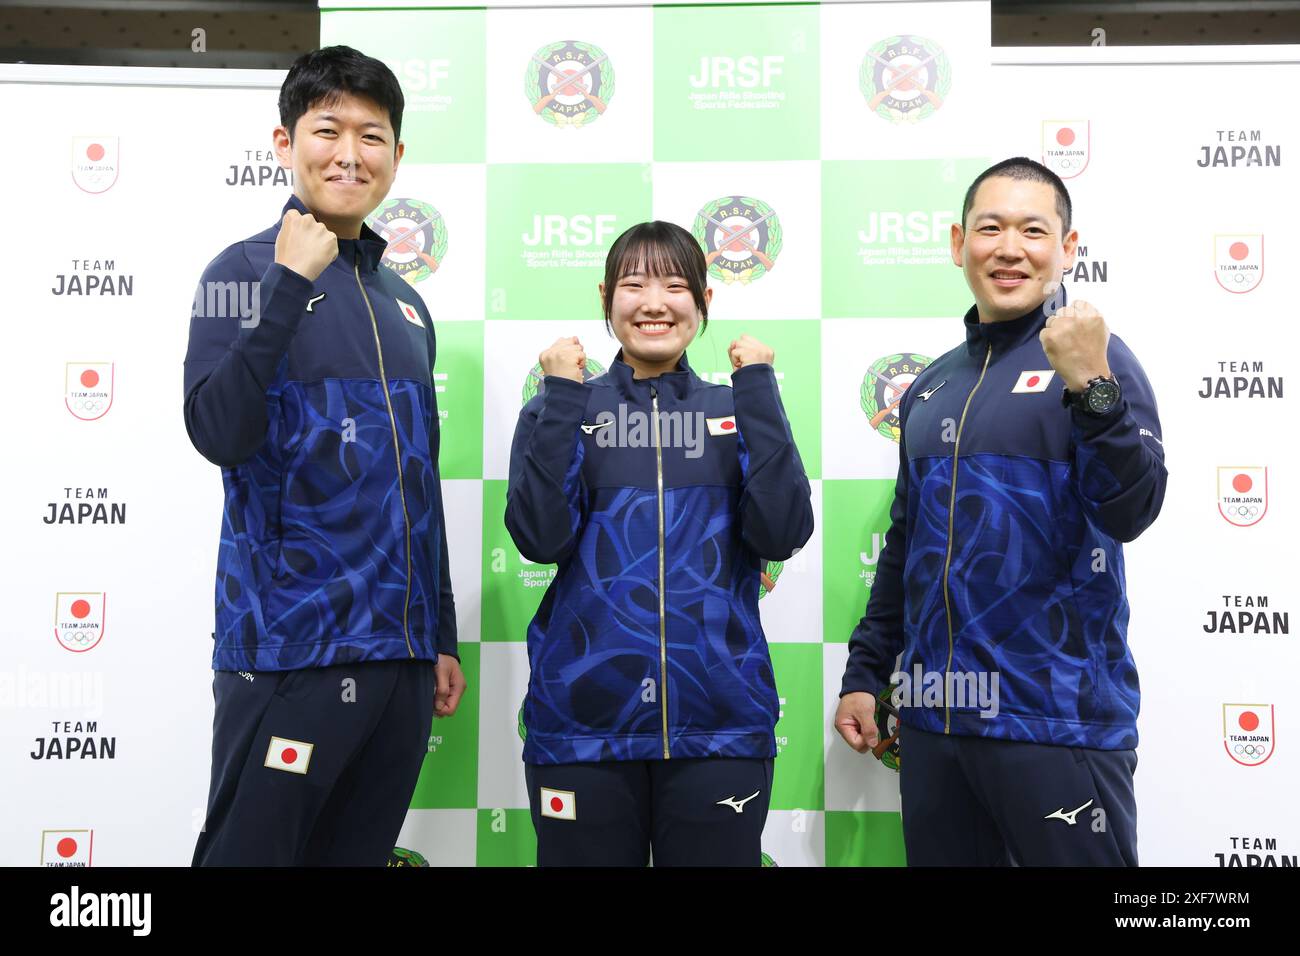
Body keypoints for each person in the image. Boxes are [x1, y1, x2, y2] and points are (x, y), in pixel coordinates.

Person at [834, 157, 1167, 866]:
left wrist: (1094, 386)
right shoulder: (933, 384)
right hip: (934, 729)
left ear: (1067, 249)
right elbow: (906, 547)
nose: (1008, 248)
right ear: (960, 244)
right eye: (990, 228)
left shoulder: (1100, 364)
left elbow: (1133, 508)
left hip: (1056, 725)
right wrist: (866, 673)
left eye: (1032, 230)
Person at [183, 46, 464, 866]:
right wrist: (285, 286)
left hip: (400, 660)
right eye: (327, 129)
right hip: (289, 652)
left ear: (397, 155)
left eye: (371, 136)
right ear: (284, 143)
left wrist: (437, 633)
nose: (350, 154)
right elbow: (217, 433)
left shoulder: (404, 302)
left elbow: (417, 484)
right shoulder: (237, 273)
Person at [505, 221, 814, 866]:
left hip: (720, 720)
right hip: (583, 722)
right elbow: (540, 538)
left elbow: (781, 532)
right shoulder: (560, 408)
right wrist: (562, 396)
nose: (654, 302)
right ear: (605, 298)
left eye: (676, 285)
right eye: (634, 283)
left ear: (704, 302)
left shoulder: (735, 406)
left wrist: (757, 390)